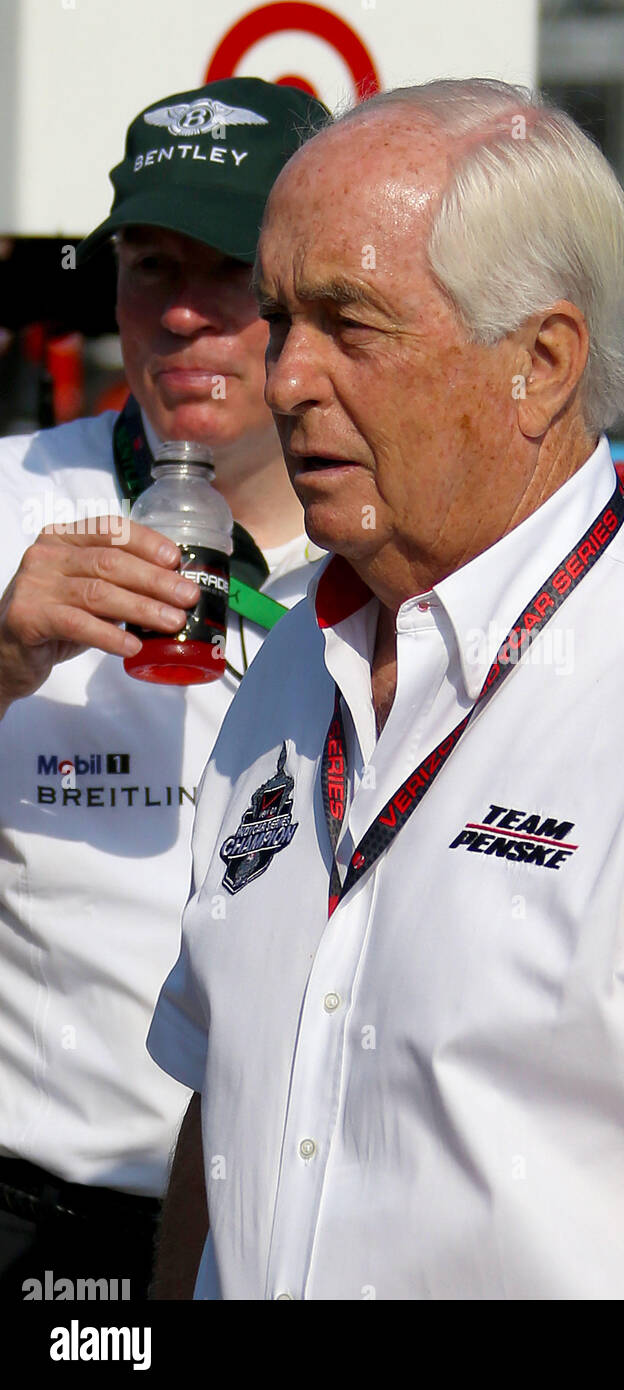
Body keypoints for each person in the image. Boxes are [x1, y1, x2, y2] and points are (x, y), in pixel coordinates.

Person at [148, 78, 624, 1300]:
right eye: (277, 317)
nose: (288, 376)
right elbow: (230, 1112)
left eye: (348, 324)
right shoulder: (293, 657)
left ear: (540, 362)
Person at [0, 77, 328, 1301]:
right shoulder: (14, 499)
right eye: (149, 266)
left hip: (303, 1229)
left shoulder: (398, 541)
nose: (183, 315)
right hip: (51, 1227)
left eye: (229, 271)